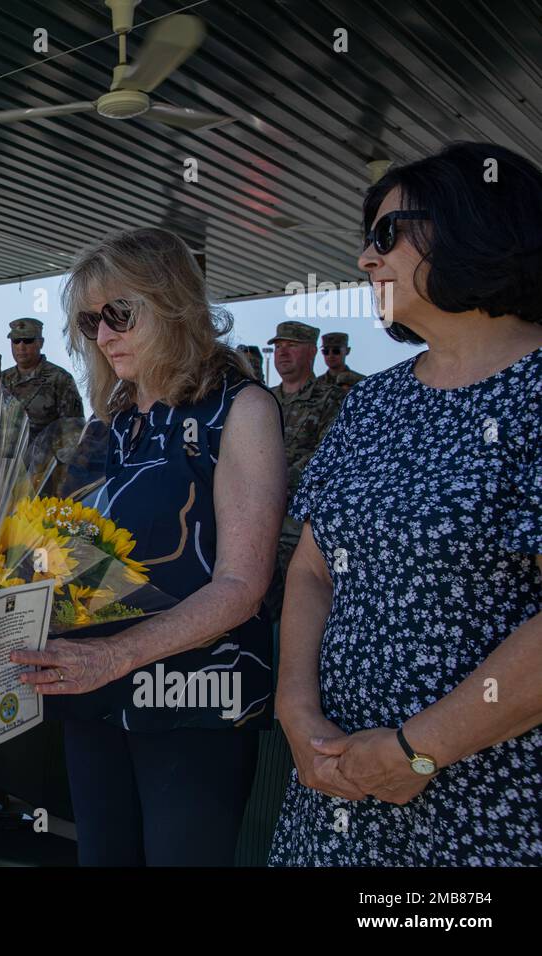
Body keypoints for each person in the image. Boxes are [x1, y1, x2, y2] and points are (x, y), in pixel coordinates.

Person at [271, 142, 542, 866]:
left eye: (387, 234)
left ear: (476, 223)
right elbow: (313, 569)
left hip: (489, 805)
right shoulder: (374, 401)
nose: (366, 259)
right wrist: (295, 714)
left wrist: (418, 752)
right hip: (337, 791)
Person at [10, 228, 285, 866]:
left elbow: (243, 586)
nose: (102, 334)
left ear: (174, 303)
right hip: (93, 696)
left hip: (194, 701)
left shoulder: (239, 409)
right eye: (87, 321)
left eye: (119, 313)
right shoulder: (110, 420)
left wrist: (114, 657)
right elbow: (57, 550)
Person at [266, 320, 344, 617]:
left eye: (292, 346)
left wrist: (269, 481)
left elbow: (326, 458)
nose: (282, 353)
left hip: (299, 527)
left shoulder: (331, 399)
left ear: (312, 351)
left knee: (298, 613)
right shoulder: (262, 398)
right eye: (278, 347)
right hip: (259, 521)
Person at [1, 317, 84, 439]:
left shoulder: (60, 379)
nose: (21, 346)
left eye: (28, 340)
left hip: (45, 455)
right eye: (16, 341)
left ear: (41, 342)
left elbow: (73, 430)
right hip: (6, 456)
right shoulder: (2, 379)